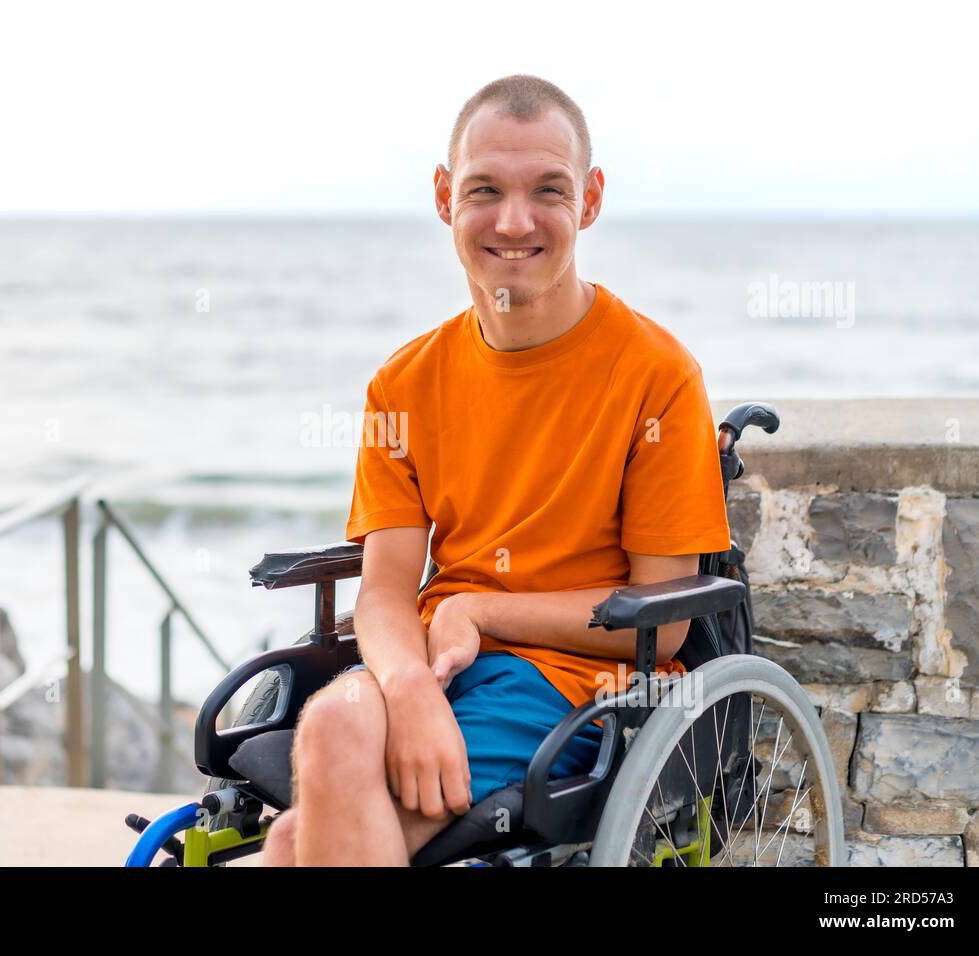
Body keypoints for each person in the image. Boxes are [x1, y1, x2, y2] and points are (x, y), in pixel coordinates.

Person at [259, 74, 730, 866]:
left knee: (291, 844)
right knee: (335, 725)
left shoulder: (656, 375)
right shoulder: (404, 383)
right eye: (485, 190)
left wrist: (483, 609)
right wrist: (408, 688)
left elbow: (667, 617)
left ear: (592, 198)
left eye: (548, 189)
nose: (515, 221)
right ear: (445, 197)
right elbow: (382, 591)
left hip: (574, 686)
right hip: (439, 663)